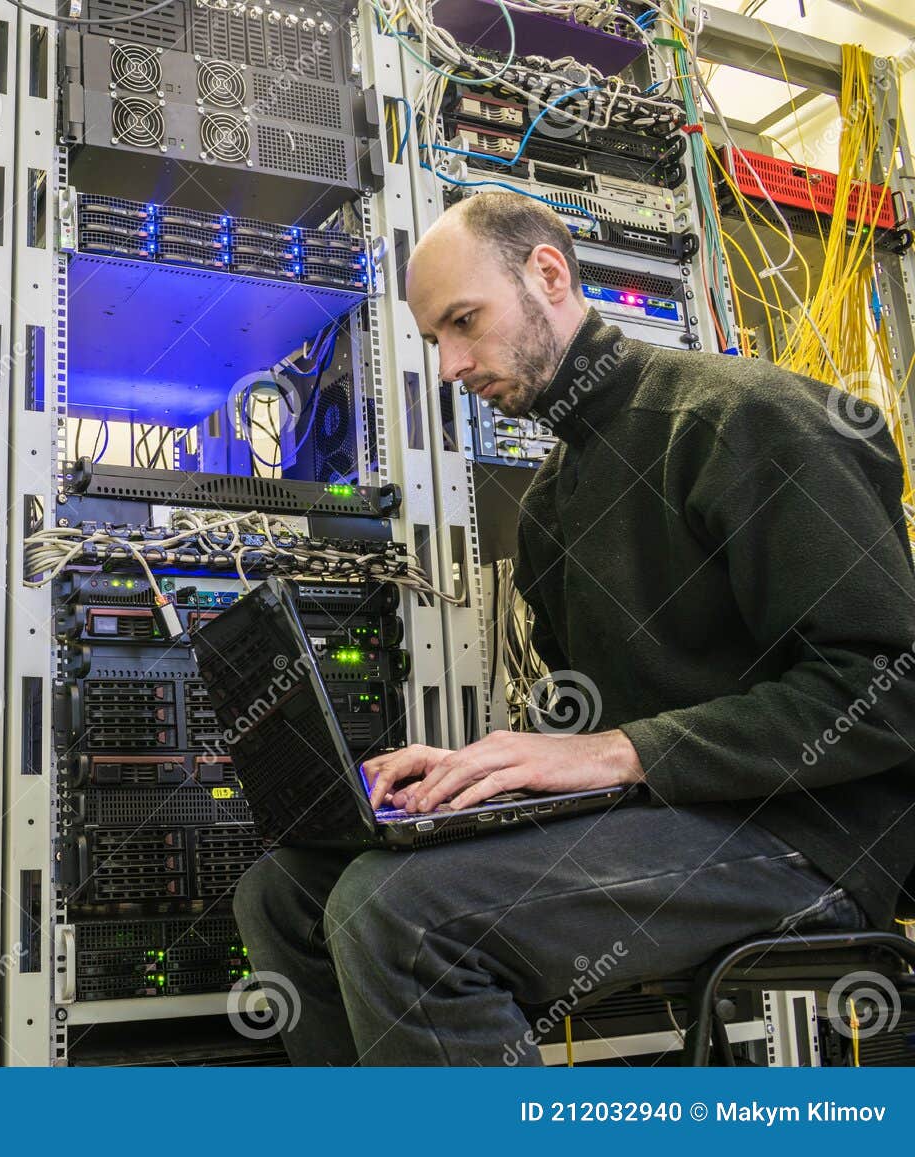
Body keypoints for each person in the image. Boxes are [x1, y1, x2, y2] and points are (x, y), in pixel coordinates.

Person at [232, 191, 915, 1065]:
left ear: (548, 274)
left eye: (463, 322)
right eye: (436, 338)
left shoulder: (745, 420)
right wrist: (487, 772)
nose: (448, 364)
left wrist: (614, 753)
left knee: (398, 910)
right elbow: (596, 734)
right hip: (672, 809)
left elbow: (888, 688)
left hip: (808, 835)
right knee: (281, 894)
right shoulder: (552, 506)